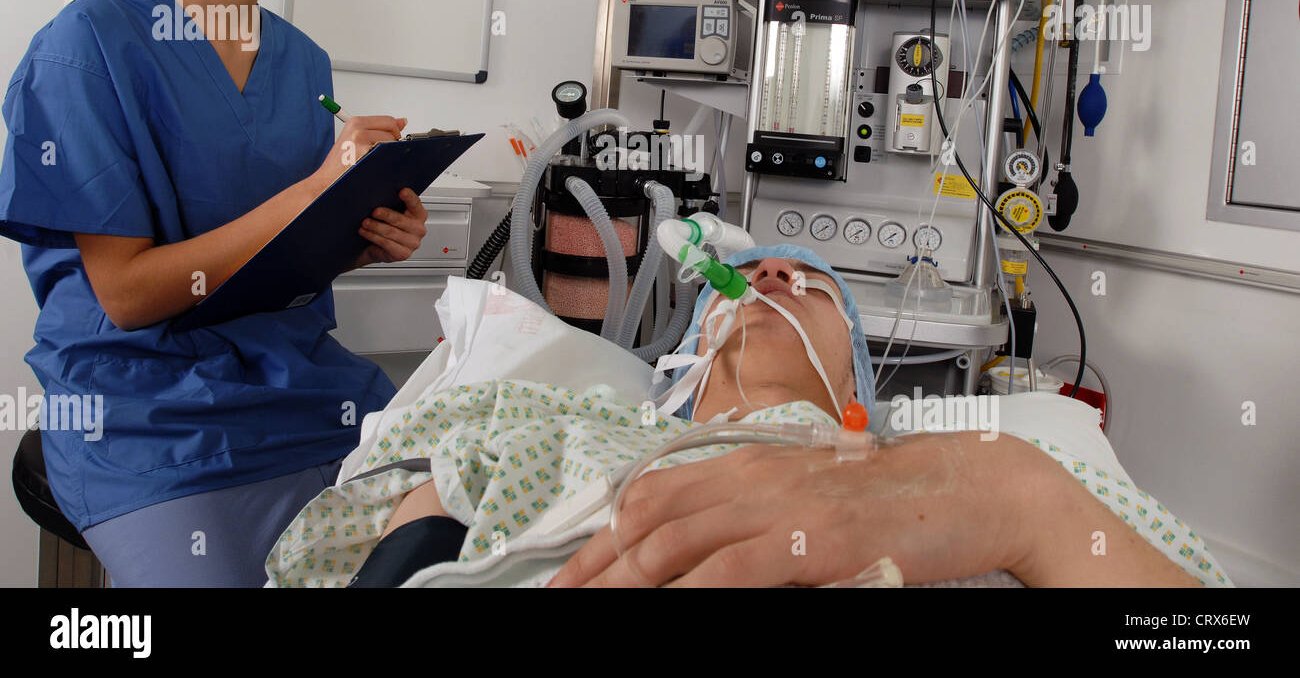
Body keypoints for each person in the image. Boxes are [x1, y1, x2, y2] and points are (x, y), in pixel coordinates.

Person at [0, 0, 430, 586]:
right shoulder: (87, 46)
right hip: (145, 414)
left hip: (300, 388)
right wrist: (311, 192)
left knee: (449, 538)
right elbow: (125, 295)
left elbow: (277, 255)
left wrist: (360, 236)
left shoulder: (302, 63)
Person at [268, 247, 1229, 587]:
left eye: (809, 283)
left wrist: (1023, 502)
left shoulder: (965, 472)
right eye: (757, 273)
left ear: (856, 384)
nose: (773, 274)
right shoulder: (553, 418)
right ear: (692, 356)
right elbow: (406, 539)